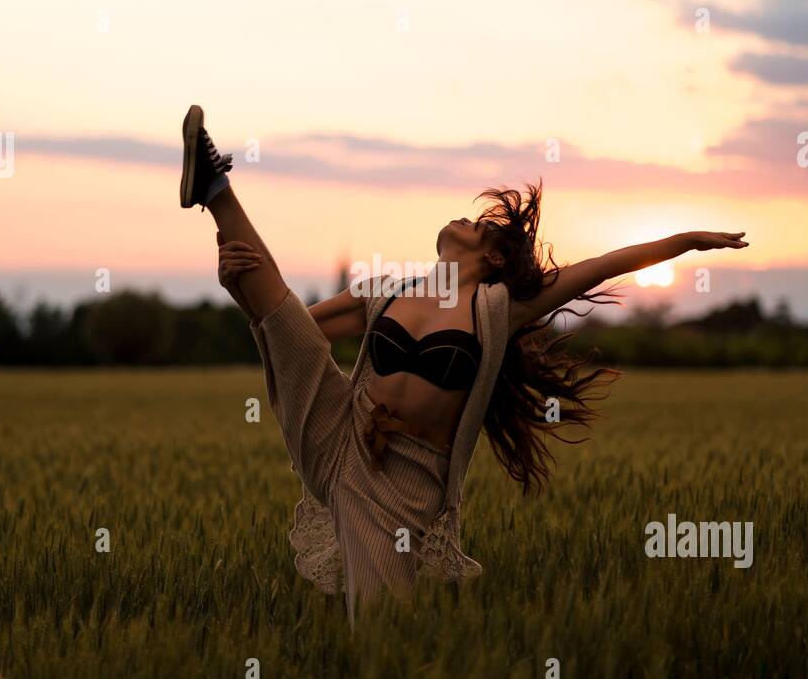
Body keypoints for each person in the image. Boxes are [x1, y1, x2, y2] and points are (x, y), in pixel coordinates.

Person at [180, 104, 749, 625]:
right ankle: (216, 188)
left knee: (381, 626)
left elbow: (601, 265)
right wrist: (244, 297)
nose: (464, 220)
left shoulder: (499, 309)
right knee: (286, 324)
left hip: (403, 477)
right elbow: (292, 326)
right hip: (341, 429)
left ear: (494, 257)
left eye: (479, 226)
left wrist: (688, 241)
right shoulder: (389, 290)